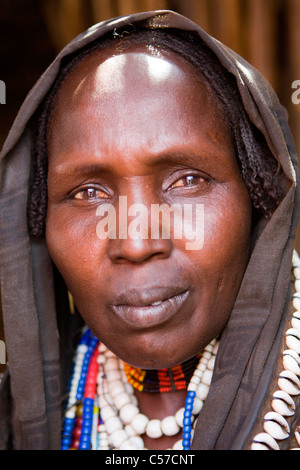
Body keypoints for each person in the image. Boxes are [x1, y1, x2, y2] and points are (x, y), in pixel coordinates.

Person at [0, 10, 299, 451]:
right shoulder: (16, 423)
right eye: (88, 192)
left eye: (187, 180)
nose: (137, 243)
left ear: (259, 198)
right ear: (40, 218)